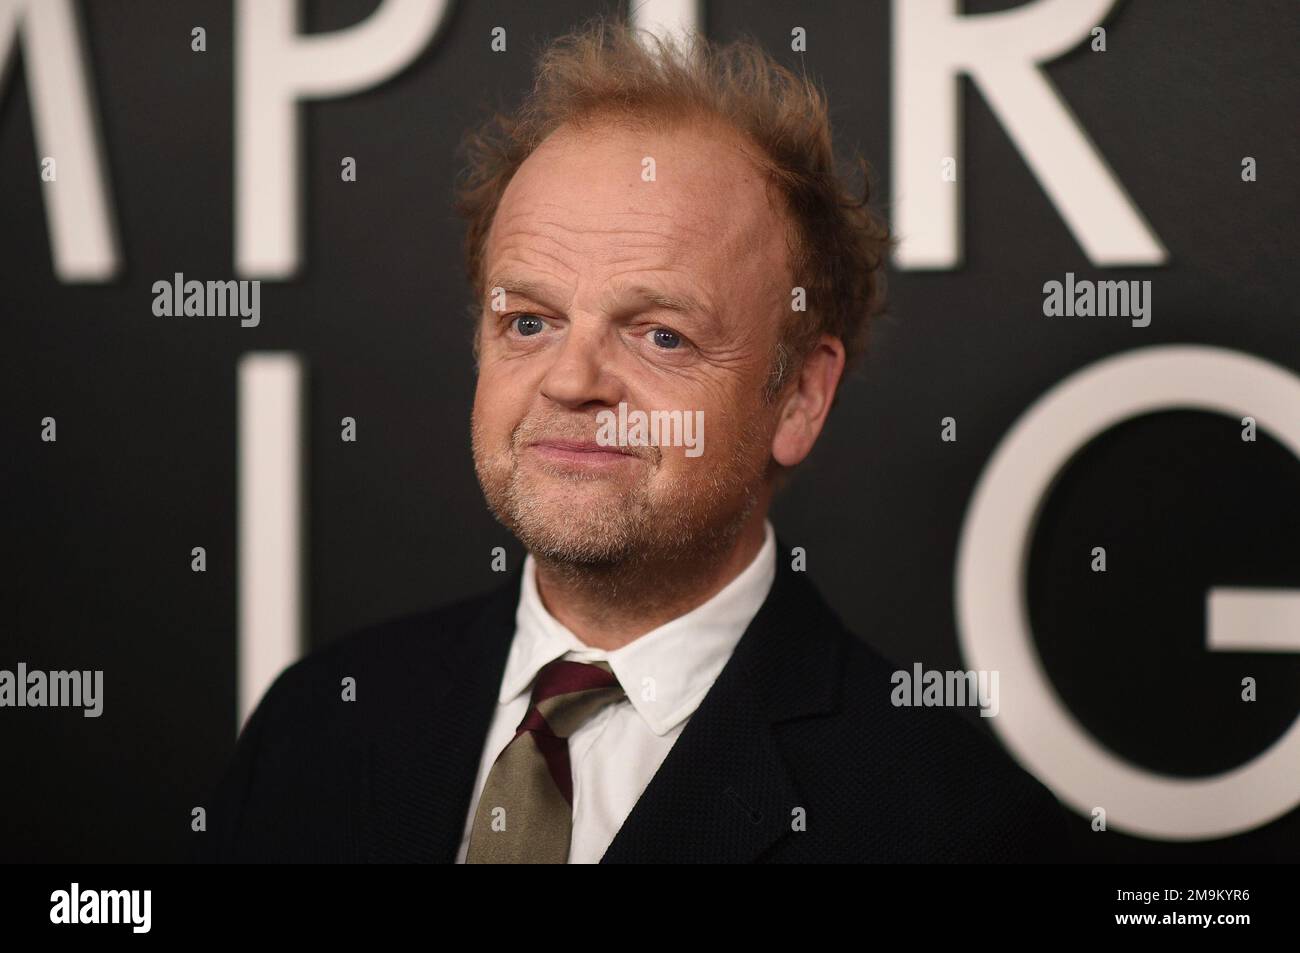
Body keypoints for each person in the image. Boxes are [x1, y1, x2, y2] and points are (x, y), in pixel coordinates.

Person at [198, 15, 1071, 863]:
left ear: (800, 396)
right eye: (531, 321)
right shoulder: (316, 724)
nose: (572, 382)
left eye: (660, 334)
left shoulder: (951, 828)